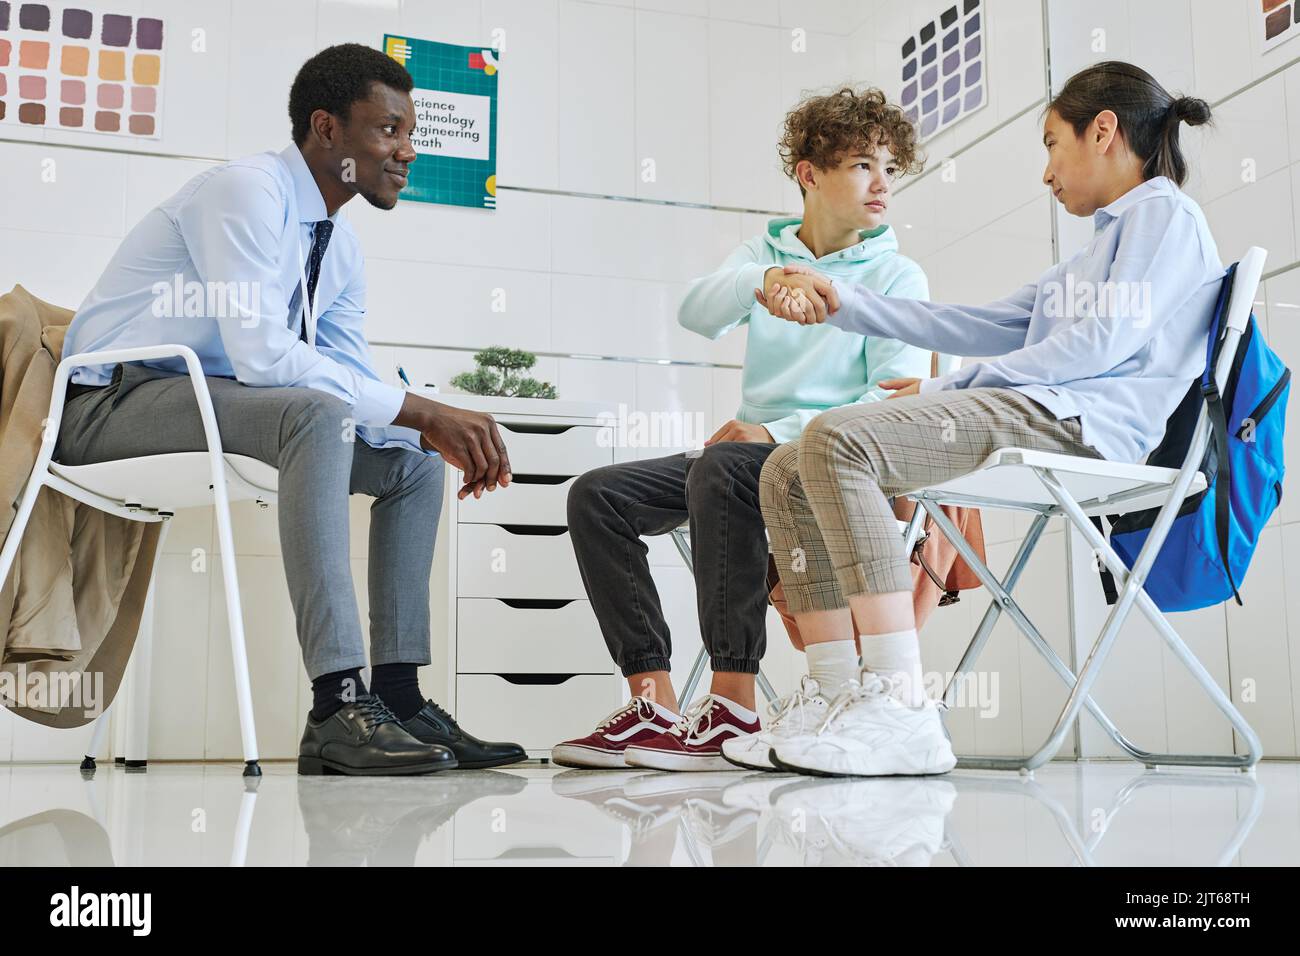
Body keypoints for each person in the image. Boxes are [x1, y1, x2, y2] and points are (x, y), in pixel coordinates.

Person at [55, 44, 524, 776]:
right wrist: (422, 407)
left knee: (411, 464)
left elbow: (346, 374)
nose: (407, 151)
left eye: (410, 135)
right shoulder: (247, 192)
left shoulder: (338, 248)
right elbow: (264, 358)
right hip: (112, 405)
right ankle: (337, 705)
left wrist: (422, 425)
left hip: (213, 405)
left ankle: (397, 697)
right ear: (326, 129)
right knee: (320, 414)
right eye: (389, 130)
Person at [748, 61, 1220, 777]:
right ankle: (838, 694)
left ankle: (900, 709)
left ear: (1103, 132)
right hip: (1047, 408)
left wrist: (946, 390)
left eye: (1051, 145)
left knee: (841, 441)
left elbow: (1095, 348)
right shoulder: (1099, 249)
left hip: (1079, 427)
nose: (1046, 173)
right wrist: (841, 299)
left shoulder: (1166, 219)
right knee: (787, 468)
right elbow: (976, 322)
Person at [551, 87, 939, 772]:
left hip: (827, 465)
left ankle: (731, 701)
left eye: (888, 168)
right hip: (752, 459)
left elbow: (887, 405)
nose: (882, 184)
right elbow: (698, 313)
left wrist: (774, 429)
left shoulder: (895, 275)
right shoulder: (762, 250)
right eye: (860, 165)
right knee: (597, 495)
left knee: (722, 466)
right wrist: (764, 278)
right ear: (810, 174)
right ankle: (654, 704)